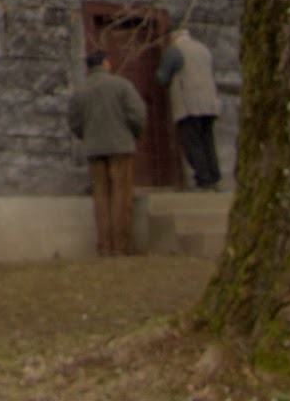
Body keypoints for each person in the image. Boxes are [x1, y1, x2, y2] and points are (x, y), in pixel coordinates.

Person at [69, 46, 147, 256]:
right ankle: (120, 245)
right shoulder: (121, 85)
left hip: (94, 152)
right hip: (121, 148)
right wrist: (134, 134)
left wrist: (88, 136)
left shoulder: (81, 92)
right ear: (106, 63)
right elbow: (138, 113)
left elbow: (74, 123)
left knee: (100, 197)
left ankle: (104, 245)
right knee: (121, 195)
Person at [156, 25, 222, 190]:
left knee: (192, 143)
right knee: (208, 141)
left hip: (188, 104)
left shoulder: (174, 51)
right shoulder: (203, 49)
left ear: (173, 37)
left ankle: (204, 178)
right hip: (209, 103)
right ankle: (215, 176)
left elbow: (163, 77)